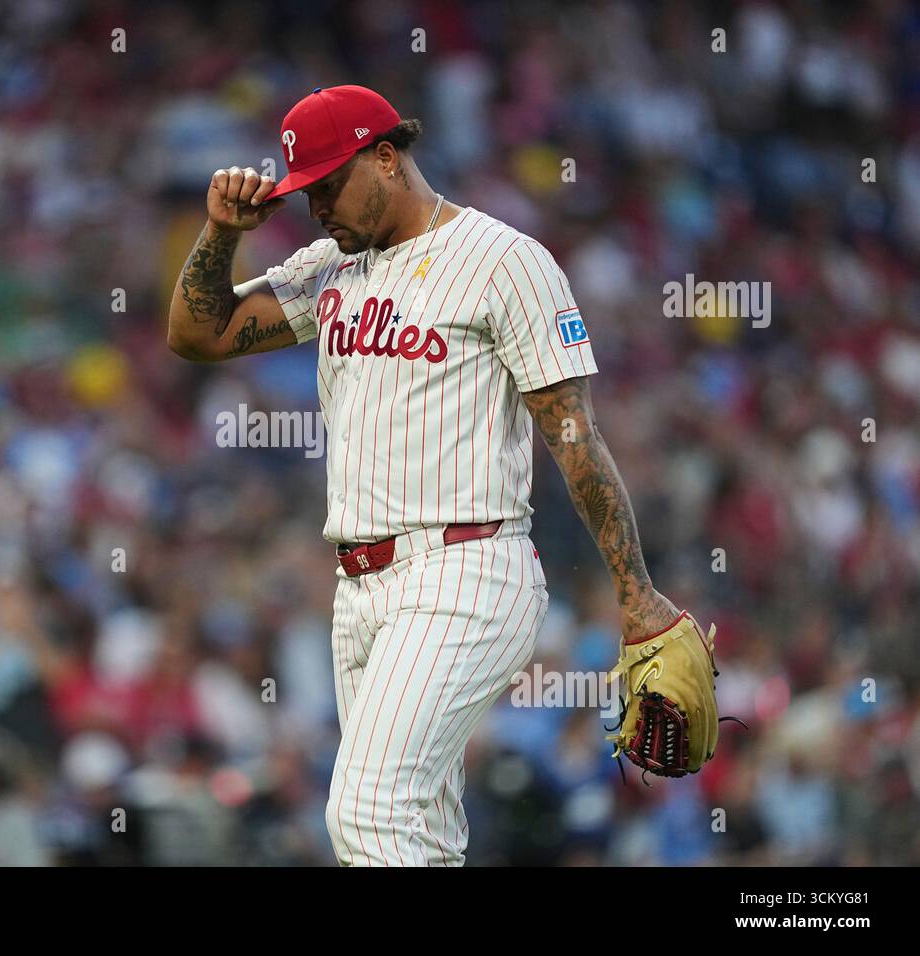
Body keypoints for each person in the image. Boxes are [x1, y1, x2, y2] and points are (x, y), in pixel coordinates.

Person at [166, 85, 701, 866]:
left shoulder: (504, 260)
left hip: (466, 569)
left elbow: (573, 433)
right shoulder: (331, 269)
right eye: (304, 193)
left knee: (367, 810)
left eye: (327, 185)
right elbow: (197, 334)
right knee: (414, 835)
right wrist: (219, 233)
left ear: (386, 157)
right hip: (359, 590)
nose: (316, 208)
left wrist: (635, 592)